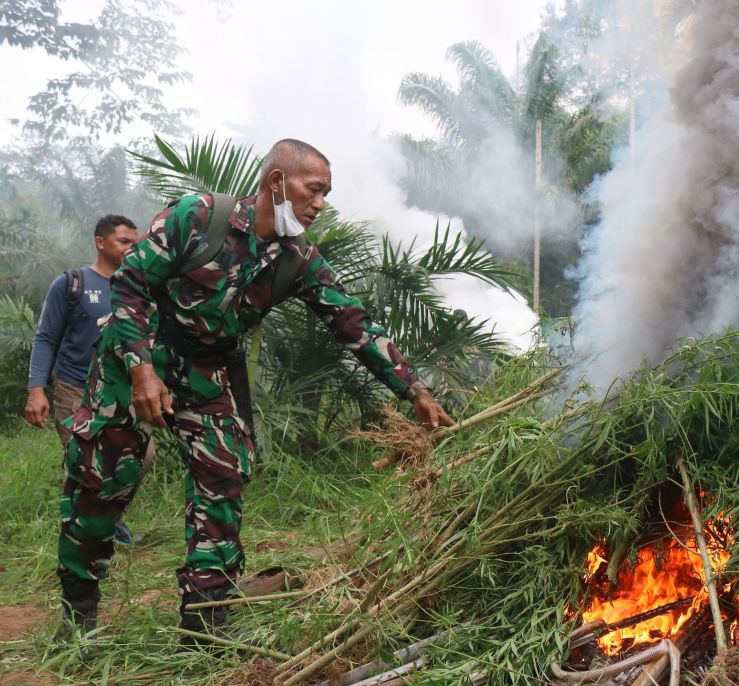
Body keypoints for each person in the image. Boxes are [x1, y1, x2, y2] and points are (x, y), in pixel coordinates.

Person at [55, 139, 455, 644]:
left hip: (205, 370)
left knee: (223, 475)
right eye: (314, 190)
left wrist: (414, 389)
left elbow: (353, 322)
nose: (320, 204)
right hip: (136, 353)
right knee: (104, 477)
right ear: (277, 182)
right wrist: (141, 371)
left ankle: (205, 623)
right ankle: (78, 615)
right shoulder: (198, 217)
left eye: (326, 194)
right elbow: (129, 285)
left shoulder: (297, 258)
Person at [25, 215, 154, 546]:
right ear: (100, 242)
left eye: (135, 242)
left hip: (121, 389)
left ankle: (109, 520)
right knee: (86, 463)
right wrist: (36, 389)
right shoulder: (72, 284)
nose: (131, 248)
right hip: (75, 389)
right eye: (123, 241)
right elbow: (46, 337)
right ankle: (83, 540)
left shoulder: (139, 288)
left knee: (143, 456)